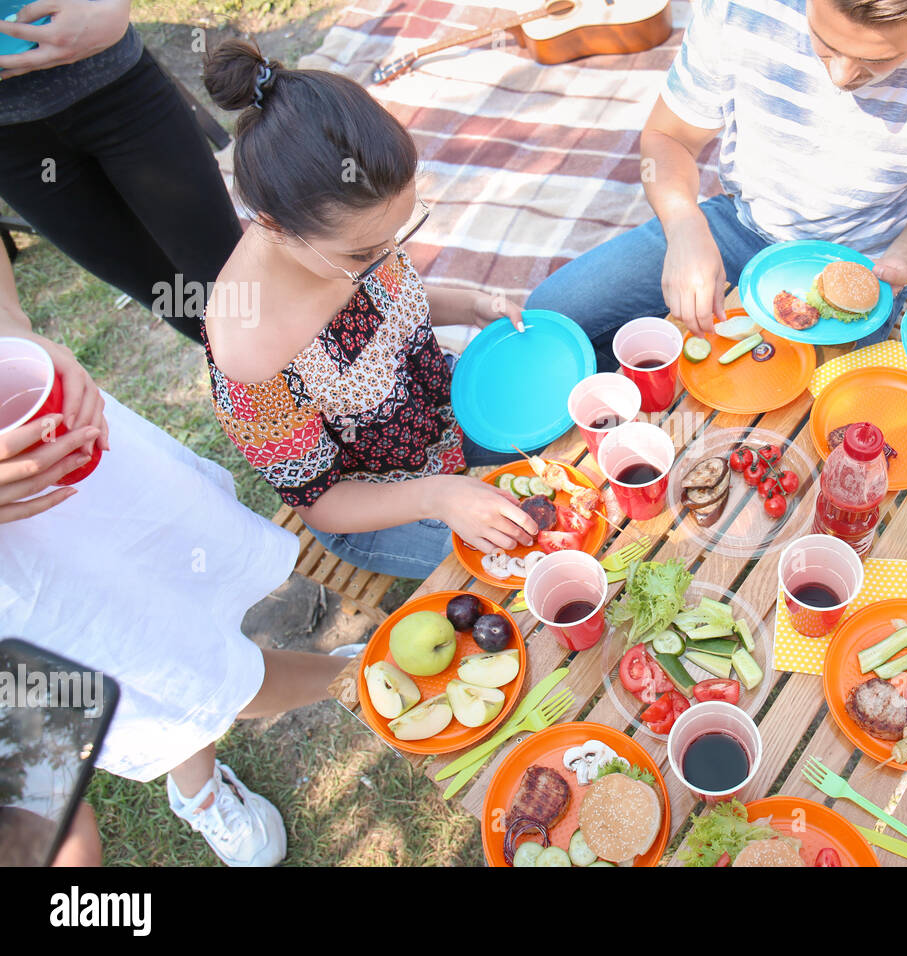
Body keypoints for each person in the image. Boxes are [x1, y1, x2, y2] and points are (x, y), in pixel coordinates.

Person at [0, 250, 346, 867]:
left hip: (43, 421)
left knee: (170, 592)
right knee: (153, 667)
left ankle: (340, 682)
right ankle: (343, 685)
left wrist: (12, 330)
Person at [200, 39, 539, 581]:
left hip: (442, 418)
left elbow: (390, 306)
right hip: (374, 507)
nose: (385, 257)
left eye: (395, 237)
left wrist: (468, 303)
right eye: (364, 254)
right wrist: (441, 495)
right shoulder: (251, 353)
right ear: (275, 225)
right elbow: (320, 500)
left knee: (575, 441)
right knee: (529, 558)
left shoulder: (345, 235)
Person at [525, 0, 907, 365]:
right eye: (826, 42)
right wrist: (683, 224)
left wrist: (906, 254)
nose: (841, 75)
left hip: (864, 268)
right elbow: (666, 138)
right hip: (738, 227)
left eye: (876, 62)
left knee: (801, 418)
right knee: (547, 317)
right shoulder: (742, 9)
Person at [0, 0, 243, 343]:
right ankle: (268, 394)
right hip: (12, 150)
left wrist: (114, 6)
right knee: (179, 306)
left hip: (113, 81)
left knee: (235, 288)